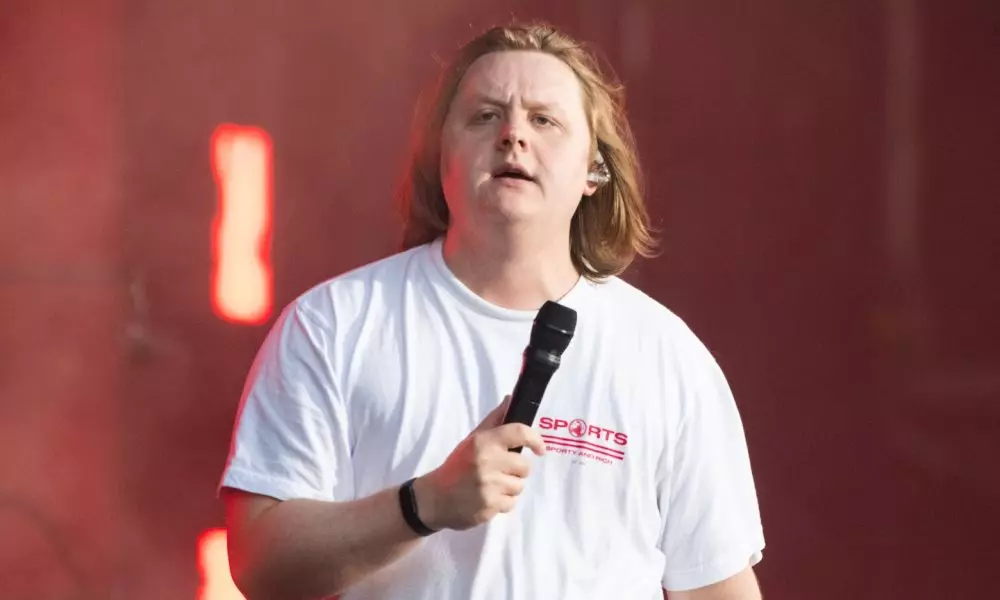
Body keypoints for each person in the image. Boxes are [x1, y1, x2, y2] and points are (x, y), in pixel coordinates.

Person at [219, 21, 765, 600]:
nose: (513, 136)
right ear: (440, 155)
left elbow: (716, 588)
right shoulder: (334, 325)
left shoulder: (665, 355)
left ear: (593, 171)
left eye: (544, 119)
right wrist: (424, 503)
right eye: (485, 115)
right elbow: (258, 562)